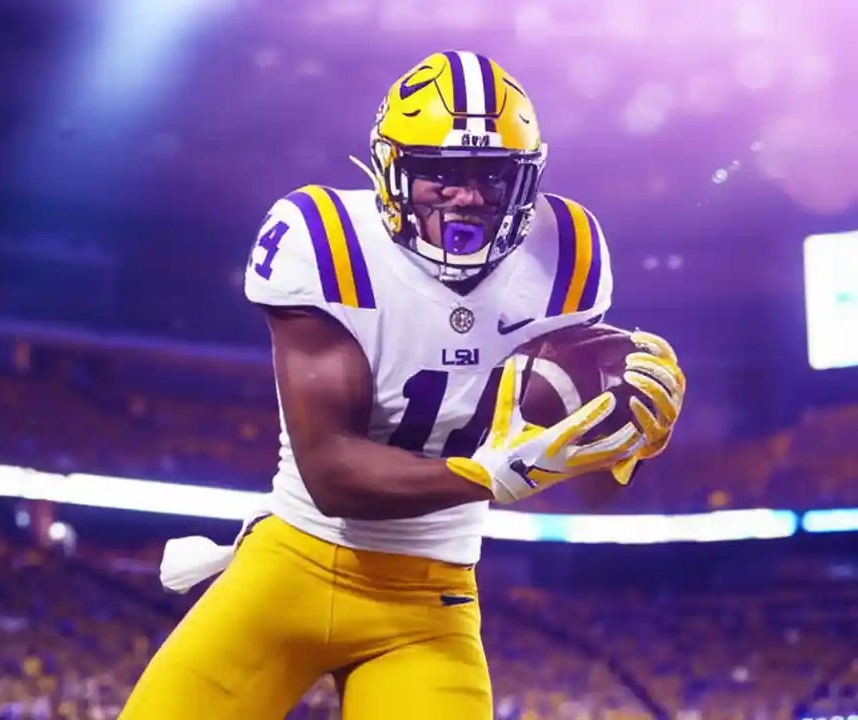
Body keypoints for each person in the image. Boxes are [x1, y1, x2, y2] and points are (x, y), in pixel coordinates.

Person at [121, 50, 685, 719]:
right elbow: (333, 474)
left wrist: (626, 436)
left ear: (526, 181)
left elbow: (589, 495)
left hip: (430, 601)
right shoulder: (325, 238)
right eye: (442, 175)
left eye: (491, 175)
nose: (468, 196)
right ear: (392, 172)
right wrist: (492, 475)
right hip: (290, 564)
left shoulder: (570, 253)